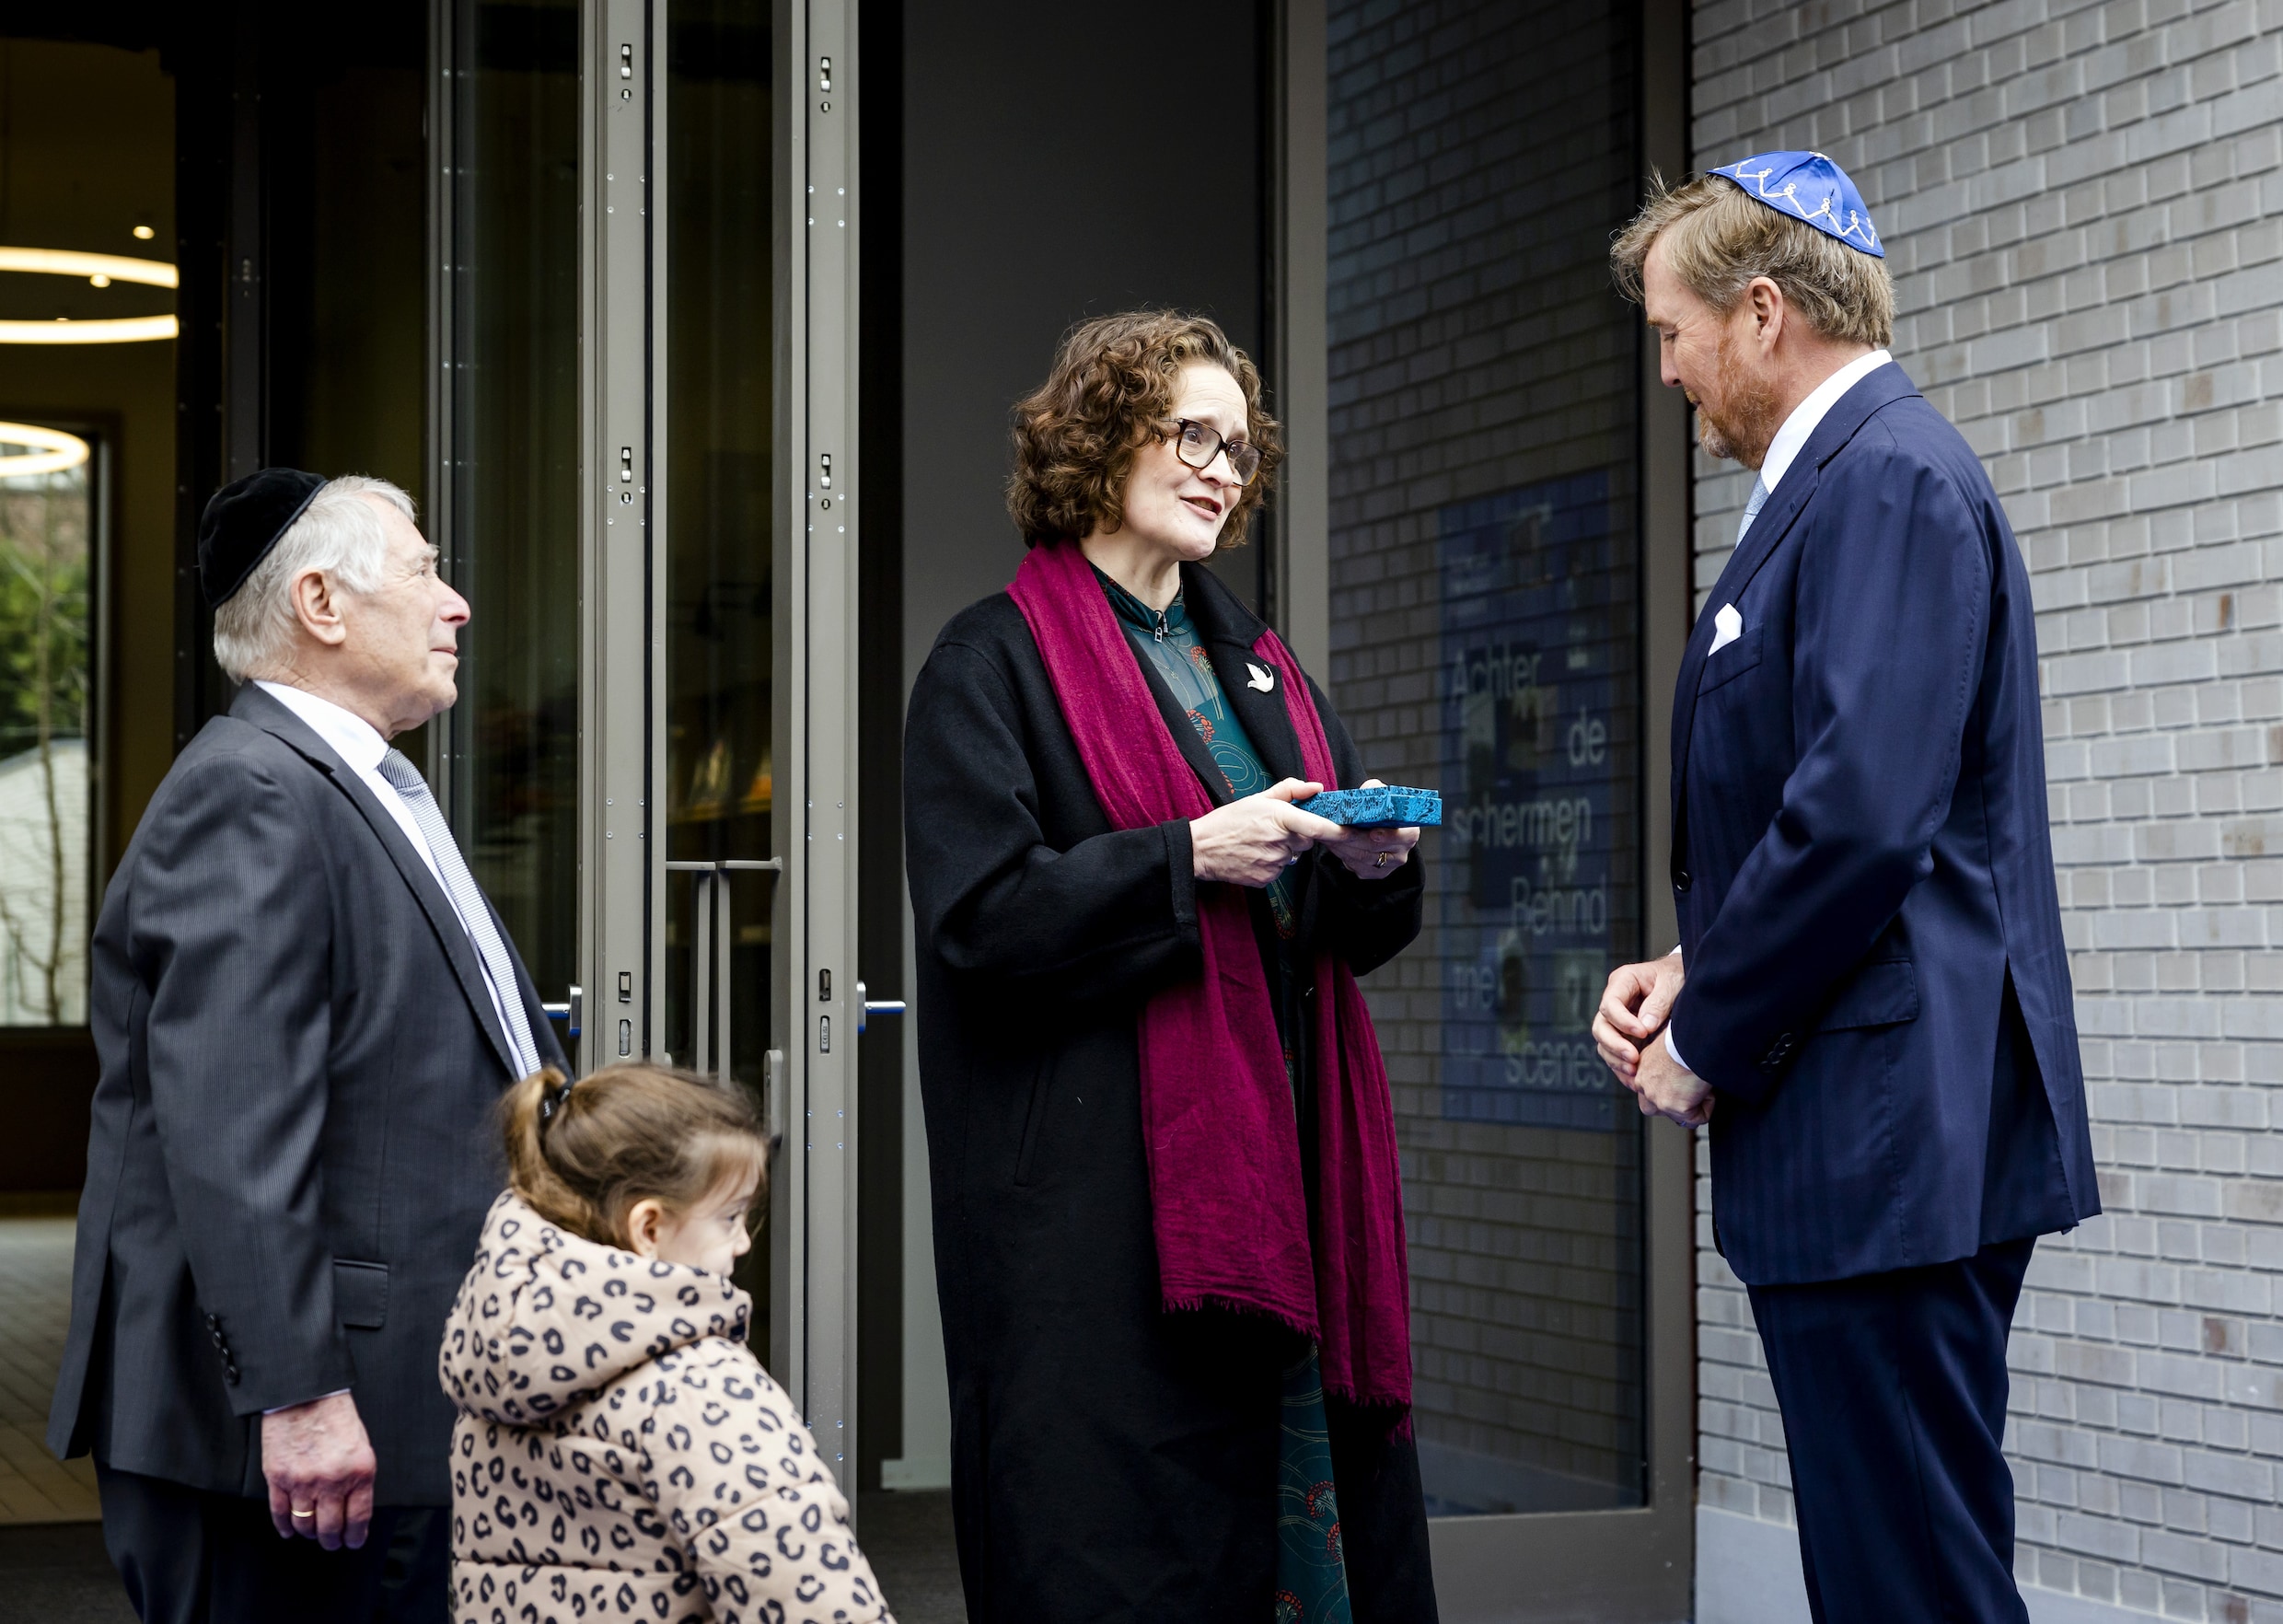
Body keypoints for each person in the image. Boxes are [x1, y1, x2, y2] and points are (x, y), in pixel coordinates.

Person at [1594, 154, 2101, 1622]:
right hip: (1878, 1134)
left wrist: (1704, 1037)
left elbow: (1867, 817)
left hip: (1886, 1142)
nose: (1672, 371)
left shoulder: (1879, 478)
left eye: (1674, 334)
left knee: (1909, 1588)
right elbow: (1851, 811)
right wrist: (1701, 966)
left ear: (1763, 313)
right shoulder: (1849, 481)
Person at [903, 309, 1436, 1623]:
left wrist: (1369, 872)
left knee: (1295, 1548)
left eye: (1239, 449)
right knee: (1127, 1553)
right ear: (1100, 437)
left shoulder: (1260, 665)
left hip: (1281, 1181)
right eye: (1188, 433)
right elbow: (981, 921)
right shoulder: (991, 664)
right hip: (1101, 1222)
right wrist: (1185, 853)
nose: (1219, 468)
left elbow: (1316, 930)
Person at [48, 470, 567, 1622]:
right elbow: (235, 1128)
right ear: (322, 606)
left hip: (382, 1408)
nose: (458, 604)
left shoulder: (354, 785)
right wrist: (299, 1396)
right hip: (295, 1438)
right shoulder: (254, 794)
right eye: (428, 570)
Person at [438, 1062, 895, 1623]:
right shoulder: (701, 1391)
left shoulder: (496, 1372)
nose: (742, 1243)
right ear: (648, 1229)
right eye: (729, 1217)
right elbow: (812, 1600)